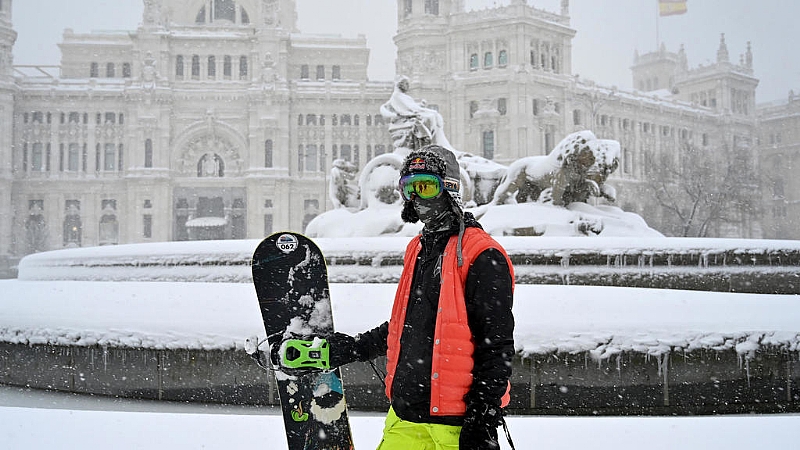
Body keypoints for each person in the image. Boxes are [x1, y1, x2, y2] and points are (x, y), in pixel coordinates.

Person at [277, 145, 515, 450]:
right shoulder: (418, 249)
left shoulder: (481, 254)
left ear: (450, 188)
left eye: (426, 187)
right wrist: (351, 348)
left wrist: (482, 416)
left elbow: (496, 345)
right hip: (405, 416)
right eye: (408, 188)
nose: (416, 198)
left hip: (455, 425)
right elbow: (409, 325)